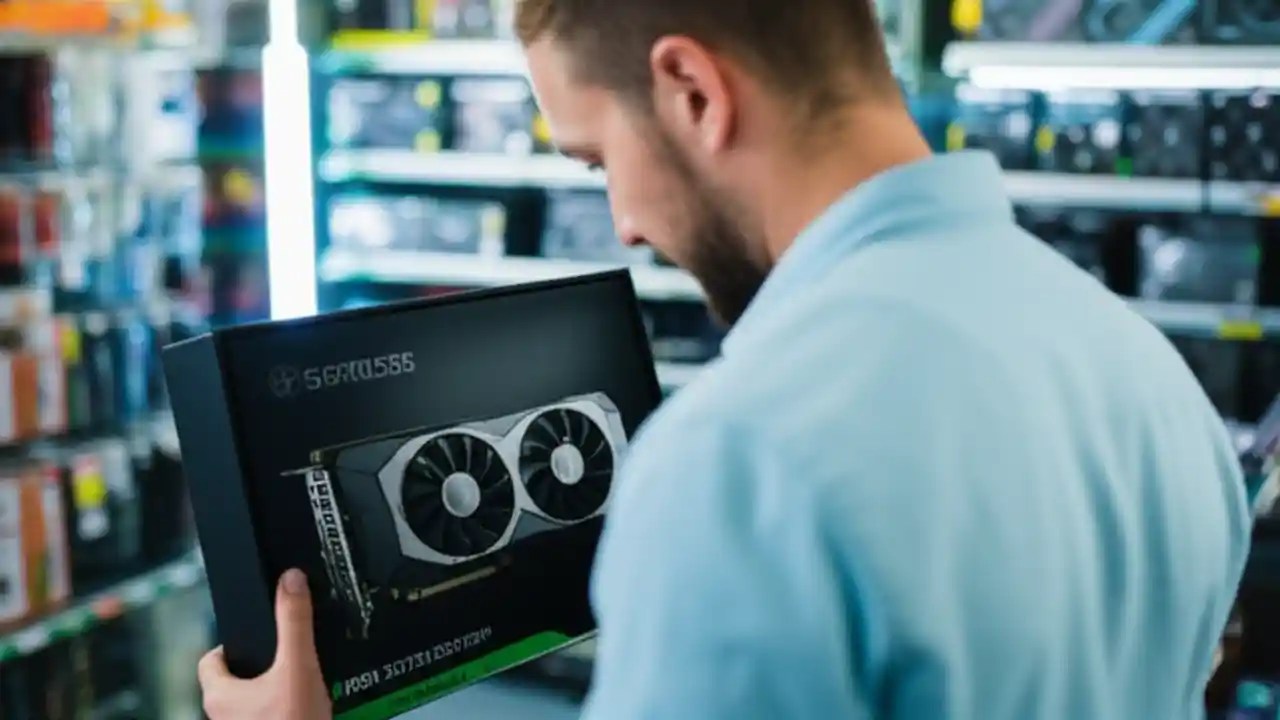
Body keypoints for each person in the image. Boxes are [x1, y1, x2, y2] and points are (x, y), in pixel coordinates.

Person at [197, 0, 1252, 717]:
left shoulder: (740, 463)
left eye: (600, 157)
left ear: (692, 91)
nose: (619, 222)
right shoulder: (1148, 378)